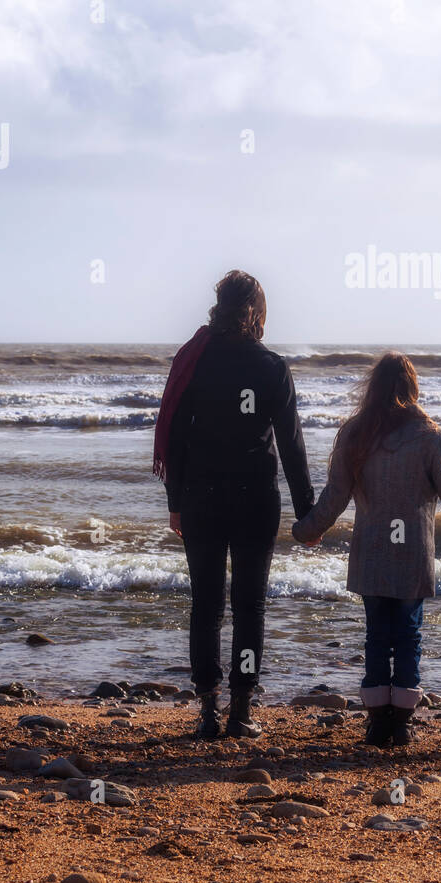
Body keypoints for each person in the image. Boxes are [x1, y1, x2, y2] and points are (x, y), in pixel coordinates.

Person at [292, 352, 441, 747]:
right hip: (412, 552)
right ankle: (402, 724)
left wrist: (307, 529)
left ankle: (379, 722)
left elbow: (335, 496)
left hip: (372, 551)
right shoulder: (431, 438)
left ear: (373, 388)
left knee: (377, 635)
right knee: (409, 635)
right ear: (412, 388)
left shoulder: (354, 435)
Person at [154, 270, 314, 740]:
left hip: (201, 498)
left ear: (218, 306)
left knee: (205, 604)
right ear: (258, 312)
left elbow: (177, 436)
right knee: (249, 605)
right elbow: (292, 445)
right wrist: (308, 511)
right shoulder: (271, 366)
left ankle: (206, 709)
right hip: (254, 500)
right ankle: (241, 710)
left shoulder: (195, 361)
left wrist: (175, 500)